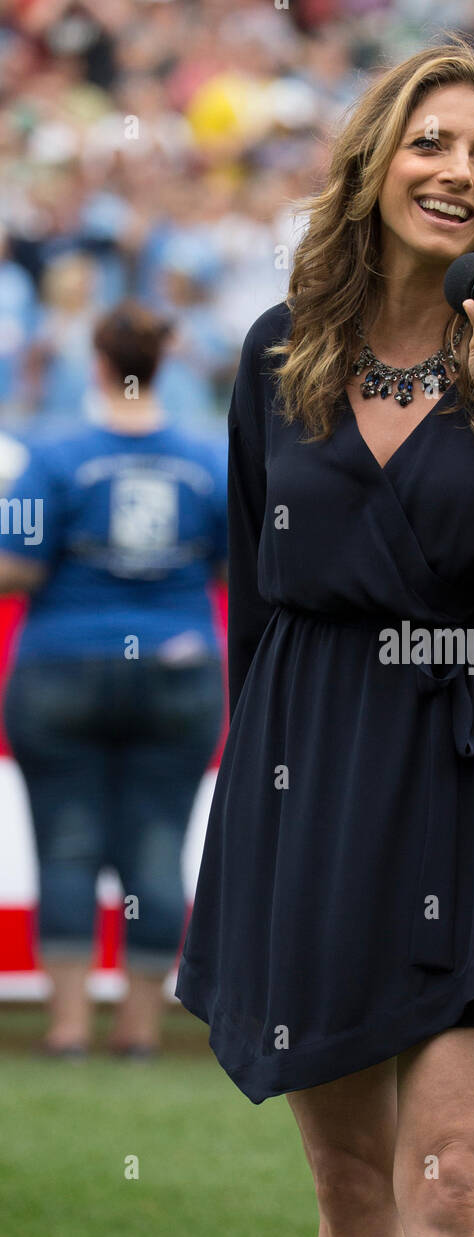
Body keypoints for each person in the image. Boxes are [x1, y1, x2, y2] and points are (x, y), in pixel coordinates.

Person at [175, 38, 474, 1237]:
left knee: (451, 1180)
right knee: (352, 1185)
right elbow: (255, 593)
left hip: (467, 758)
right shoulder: (275, 351)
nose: (455, 171)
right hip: (308, 763)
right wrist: (253, 798)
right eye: (429, 142)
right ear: (373, 163)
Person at [0, 300, 227, 1058]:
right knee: (158, 845)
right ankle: (138, 1029)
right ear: (163, 364)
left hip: (63, 664)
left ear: (96, 364)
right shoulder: (208, 460)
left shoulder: (50, 457)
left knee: (65, 843)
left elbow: (18, 564)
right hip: (180, 666)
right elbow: (239, 565)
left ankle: (67, 1027)